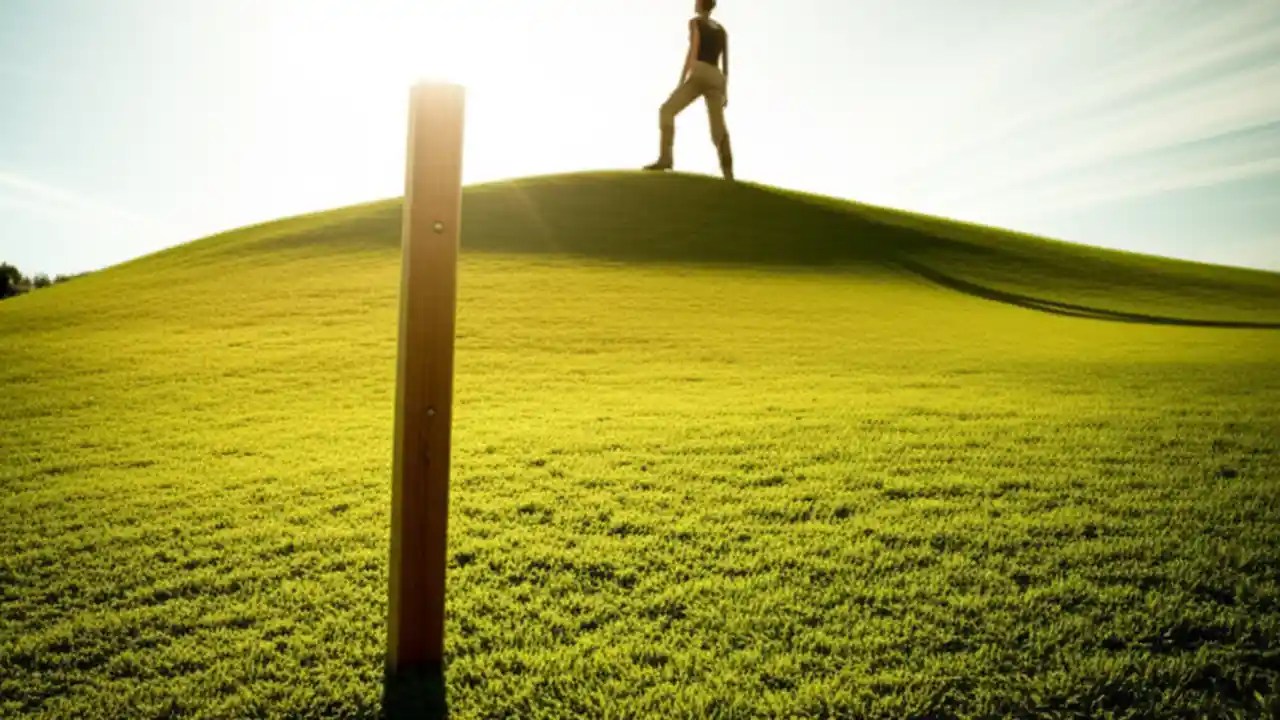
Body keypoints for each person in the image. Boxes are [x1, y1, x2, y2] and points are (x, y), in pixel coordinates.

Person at [644, 0, 733, 180]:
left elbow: (693, 50)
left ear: (700, 4)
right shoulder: (722, 30)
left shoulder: (695, 23)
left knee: (667, 110)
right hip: (717, 78)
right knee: (718, 128)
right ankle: (728, 173)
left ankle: (666, 158)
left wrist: (681, 80)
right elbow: (725, 64)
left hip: (699, 71)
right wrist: (725, 90)